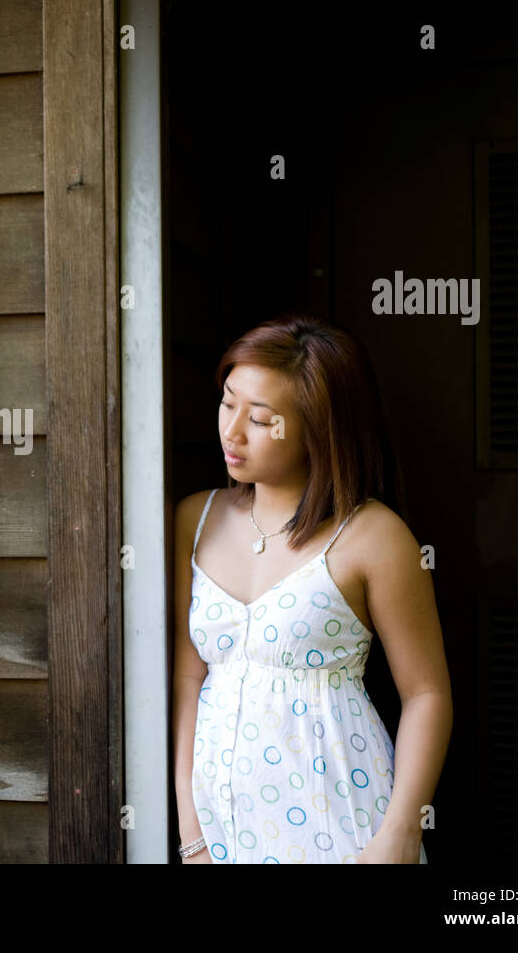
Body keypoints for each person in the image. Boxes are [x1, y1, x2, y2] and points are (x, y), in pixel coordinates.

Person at [172, 313, 452, 863]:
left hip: (345, 821)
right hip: (218, 829)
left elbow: (427, 695)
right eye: (228, 403)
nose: (231, 431)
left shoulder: (376, 536)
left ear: (318, 429)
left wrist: (400, 833)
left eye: (259, 418)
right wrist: (191, 832)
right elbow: (186, 680)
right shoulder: (192, 519)